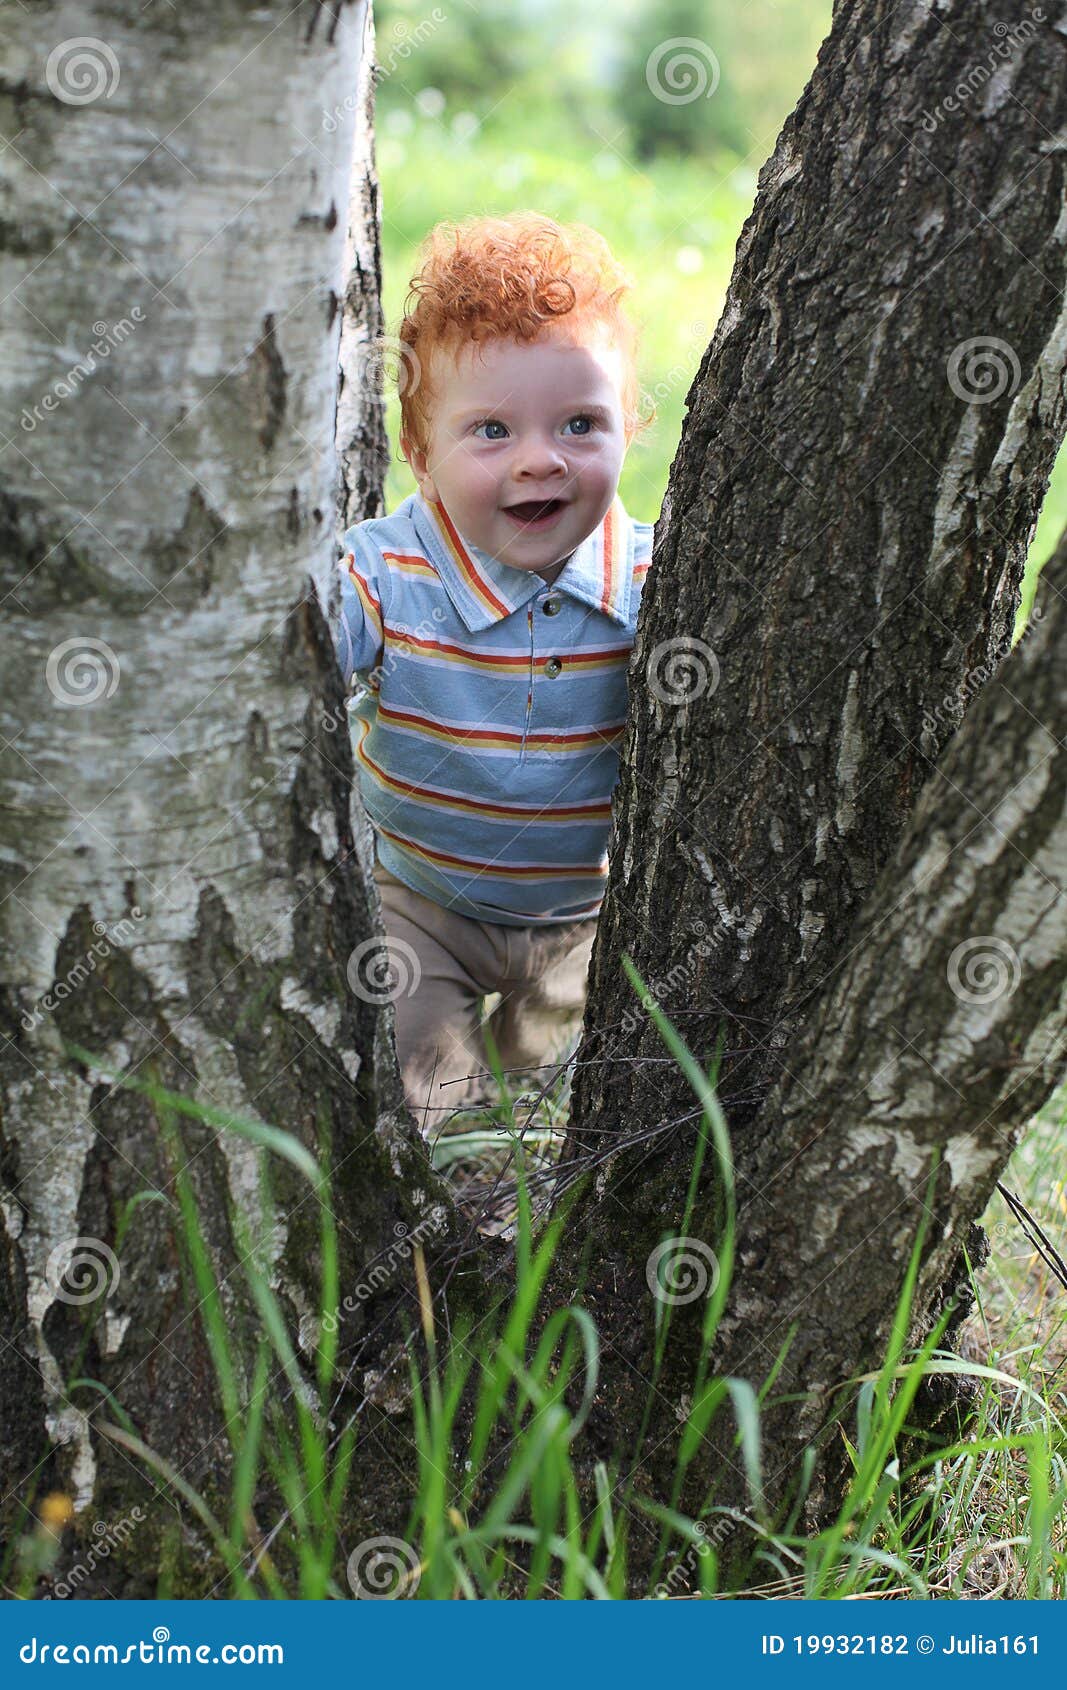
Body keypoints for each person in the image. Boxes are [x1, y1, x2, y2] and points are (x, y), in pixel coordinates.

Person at [333, 210, 656, 1134]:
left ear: (628, 424)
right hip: (422, 906)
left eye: (580, 423)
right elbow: (302, 639)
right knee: (430, 1090)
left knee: (545, 1118)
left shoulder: (654, 576)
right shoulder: (389, 571)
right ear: (420, 451)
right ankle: (451, 1199)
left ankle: (517, 1202)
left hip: (583, 920)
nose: (539, 458)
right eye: (490, 431)